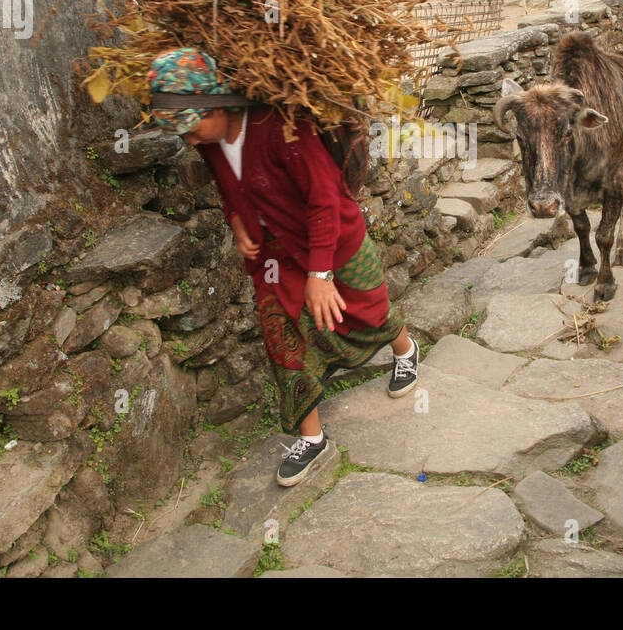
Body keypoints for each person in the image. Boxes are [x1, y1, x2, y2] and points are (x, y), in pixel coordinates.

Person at [145, 47, 419, 486]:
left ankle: (405, 350)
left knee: (369, 309)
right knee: (280, 331)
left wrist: (320, 274)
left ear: (218, 105)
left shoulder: (282, 129)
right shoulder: (211, 140)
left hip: (332, 236)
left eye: (192, 129)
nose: (191, 142)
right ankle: (311, 438)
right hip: (273, 252)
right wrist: (236, 219)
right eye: (184, 136)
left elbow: (323, 199)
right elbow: (225, 181)